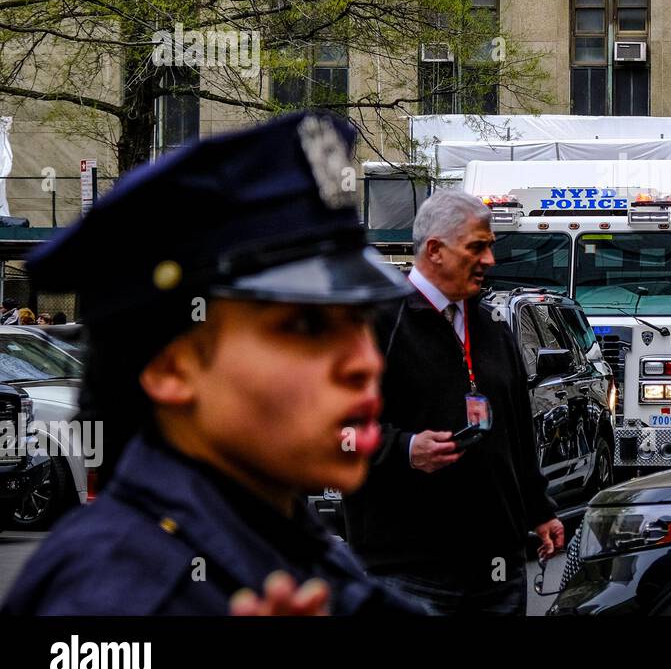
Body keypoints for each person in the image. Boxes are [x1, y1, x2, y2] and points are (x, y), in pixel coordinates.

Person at [2, 112, 424, 616]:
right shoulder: (110, 593)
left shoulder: (284, 540)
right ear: (170, 369)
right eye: (307, 328)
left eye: (365, 323)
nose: (365, 362)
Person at [343, 190, 562, 615]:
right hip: (408, 572)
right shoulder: (374, 325)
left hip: (498, 570)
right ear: (435, 251)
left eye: (491, 248)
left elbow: (517, 435)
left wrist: (540, 511)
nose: (490, 261)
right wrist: (406, 450)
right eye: (477, 247)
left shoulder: (494, 328)